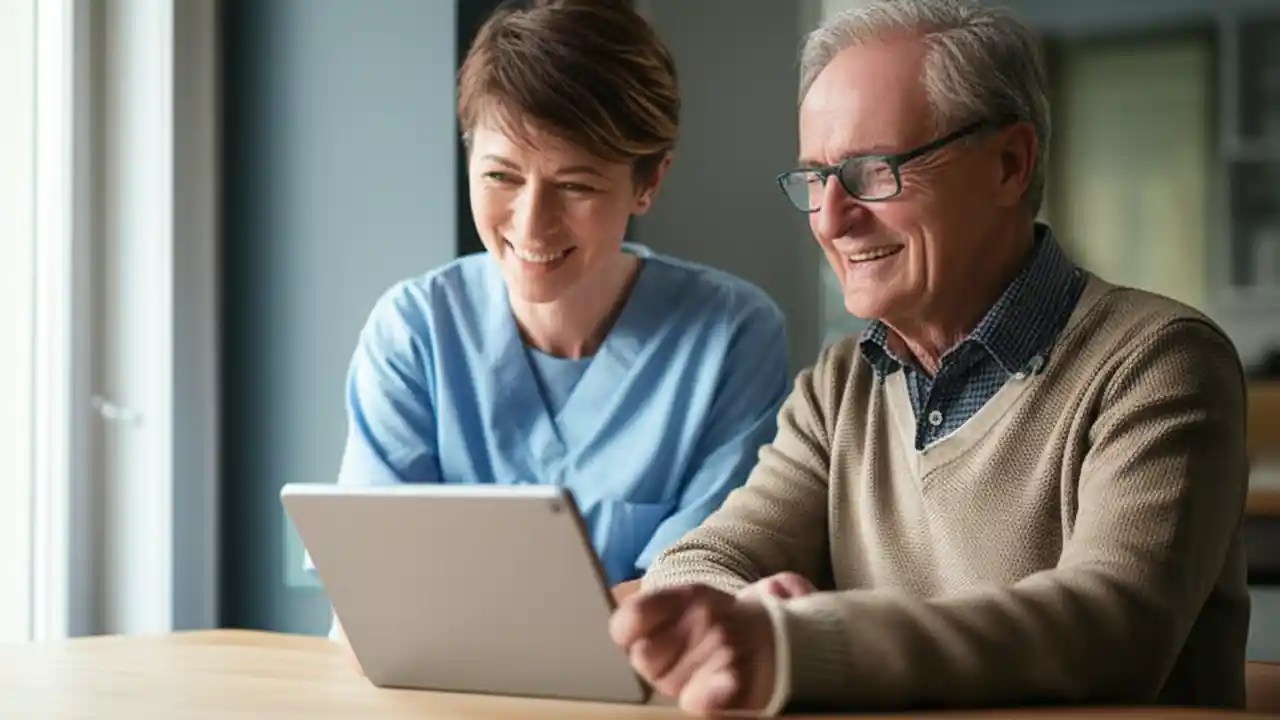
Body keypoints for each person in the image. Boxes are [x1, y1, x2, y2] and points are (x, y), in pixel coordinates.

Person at [610, 0, 1250, 715]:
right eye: (816, 179)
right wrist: (730, 626)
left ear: (1010, 164)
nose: (831, 218)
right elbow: (696, 564)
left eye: (872, 172)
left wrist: (800, 643)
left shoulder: (1160, 362)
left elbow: (1111, 628)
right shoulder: (837, 387)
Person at [328, 0, 788, 648]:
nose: (530, 223)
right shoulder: (414, 331)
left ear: (649, 181)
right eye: (500, 176)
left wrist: (463, 621)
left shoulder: (730, 337)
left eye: (576, 186)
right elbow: (371, 590)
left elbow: (695, 589)